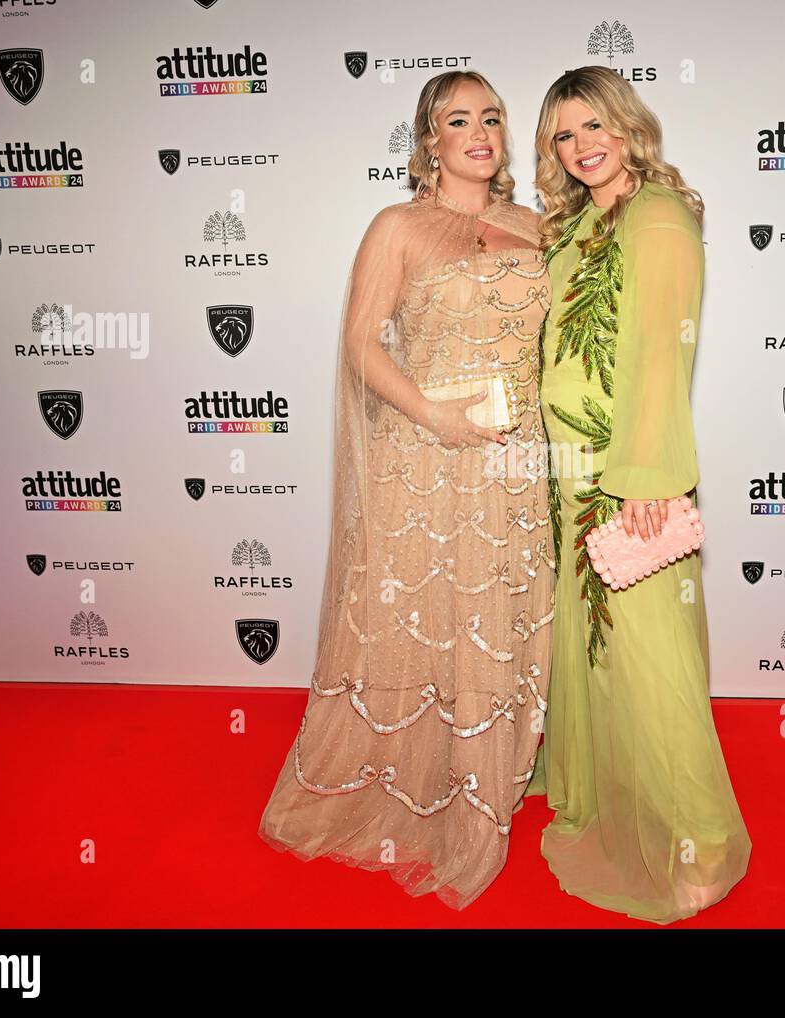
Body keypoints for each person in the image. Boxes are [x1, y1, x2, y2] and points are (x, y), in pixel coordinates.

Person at [258, 70, 555, 910]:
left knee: (496, 618)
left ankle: (489, 776)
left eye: (492, 117)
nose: (480, 132)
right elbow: (360, 343)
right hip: (425, 457)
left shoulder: (534, 227)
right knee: (421, 625)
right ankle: (410, 785)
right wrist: (433, 414)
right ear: (429, 140)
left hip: (513, 461)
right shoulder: (396, 226)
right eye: (459, 119)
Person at [525, 65, 751, 923]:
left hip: (625, 476)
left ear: (629, 125)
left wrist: (645, 482)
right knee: (595, 653)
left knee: (652, 659)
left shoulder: (656, 216)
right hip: (569, 471)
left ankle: (699, 843)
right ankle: (599, 792)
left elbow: (664, 355)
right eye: (562, 135)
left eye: (594, 127)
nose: (581, 147)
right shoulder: (585, 219)